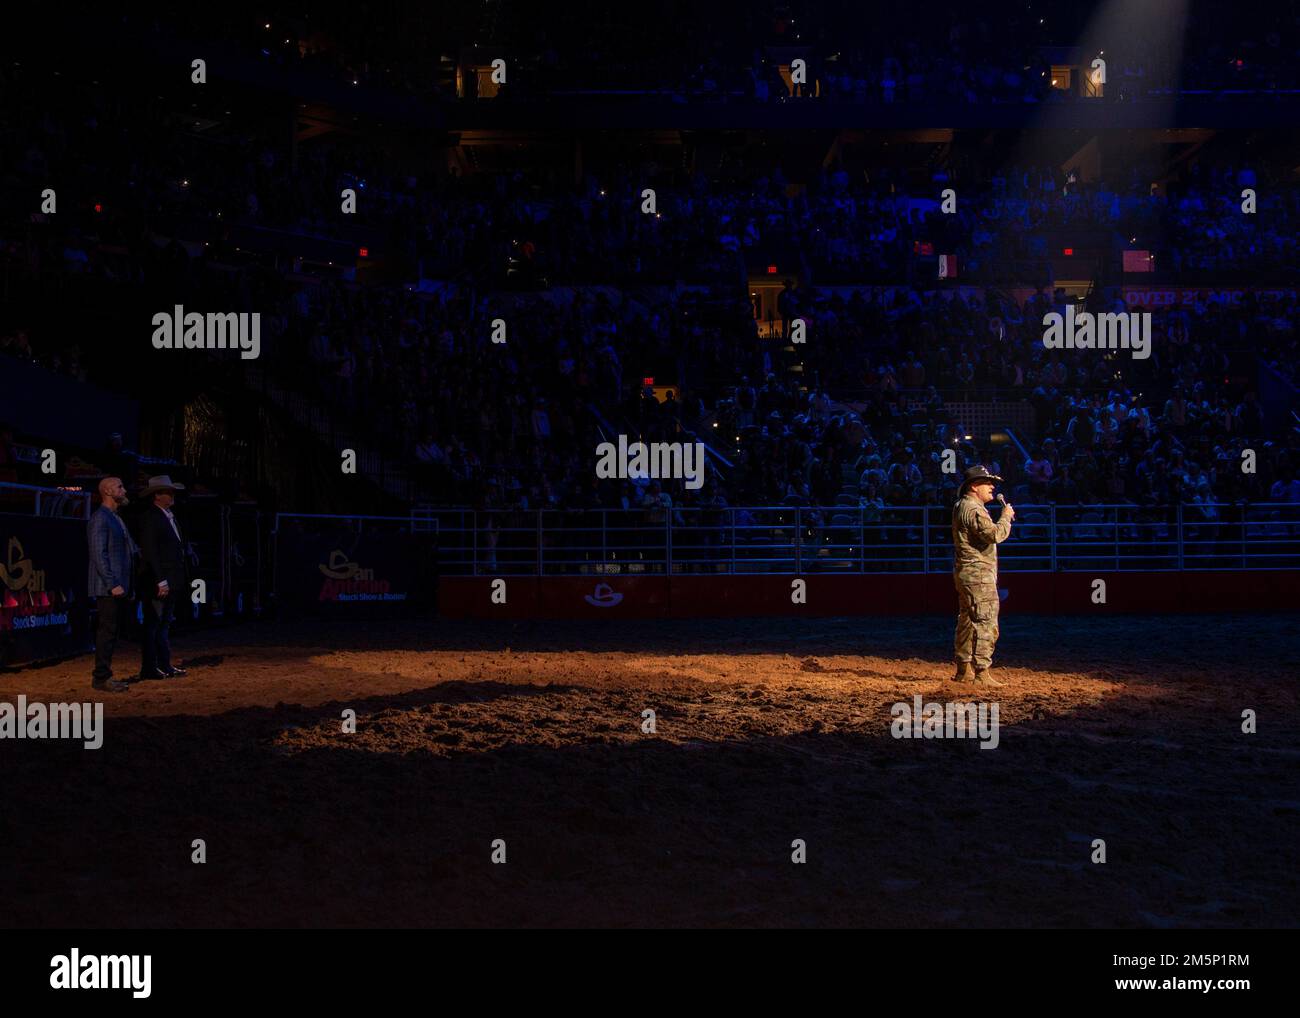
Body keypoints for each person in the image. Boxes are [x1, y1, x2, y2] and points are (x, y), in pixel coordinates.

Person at [951, 465, 1014, 686]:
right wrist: (1005, 517)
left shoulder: (962, 506)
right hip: (978, 573)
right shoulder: (974, 509)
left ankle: (964, 669)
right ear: (974, 486)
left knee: (967, 619)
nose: (992, 487)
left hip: (966, 571)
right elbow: (994, 534)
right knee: (985, 620)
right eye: (988, 483)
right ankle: (981, 672)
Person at [136, 475, 189, 681]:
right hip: (159, 580)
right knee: (154, 623)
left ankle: (164, 664)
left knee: (164, 623)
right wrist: (160, 579)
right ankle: (150, 667)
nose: (172, 495)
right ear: (157, 495)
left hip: (171, 578)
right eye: (168, 492)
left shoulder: (168, 516)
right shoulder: (152, 517)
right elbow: (150, 551)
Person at [87, 476, 137, 692]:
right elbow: (99, 554)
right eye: (120, 486)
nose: (124, 490)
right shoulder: (101, 518)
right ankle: (101, 678)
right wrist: (112, 583)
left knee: (112, 630)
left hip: (118, 585)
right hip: (108, 587)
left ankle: (104, 675)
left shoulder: (116, 517)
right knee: (107, 631)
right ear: (107, 491)